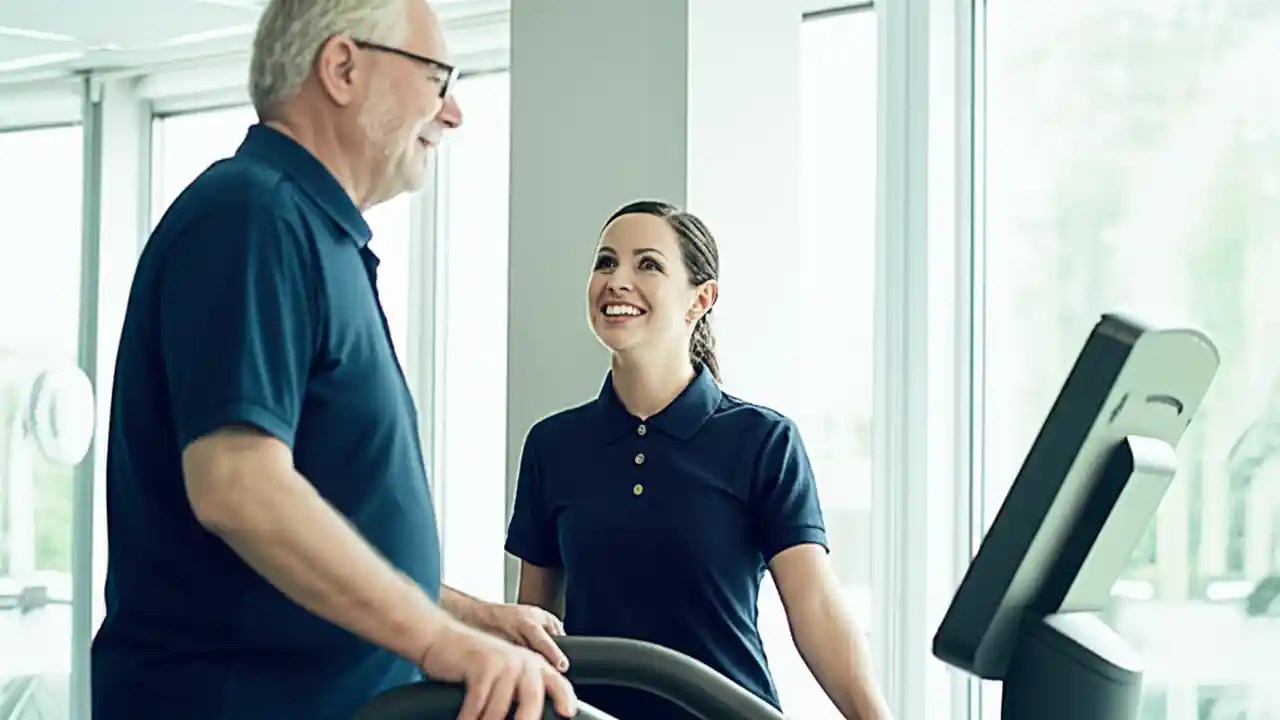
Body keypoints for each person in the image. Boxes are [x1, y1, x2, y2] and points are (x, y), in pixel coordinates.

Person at [91, 2, 576, 719]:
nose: (453, 113)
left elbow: (327, 528)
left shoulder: (315, 236)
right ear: (343, 67)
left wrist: (475, 618)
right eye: (437, 78)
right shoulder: (252, 216)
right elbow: (238, 489)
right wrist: (438, 641)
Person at [505, 200, 894, 719]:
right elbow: (535, 626)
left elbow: (817, 611)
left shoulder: (762, 440)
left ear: (700, 299)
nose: (617, 280)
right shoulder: (553, 446)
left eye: (648, 264)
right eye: (605, 262)